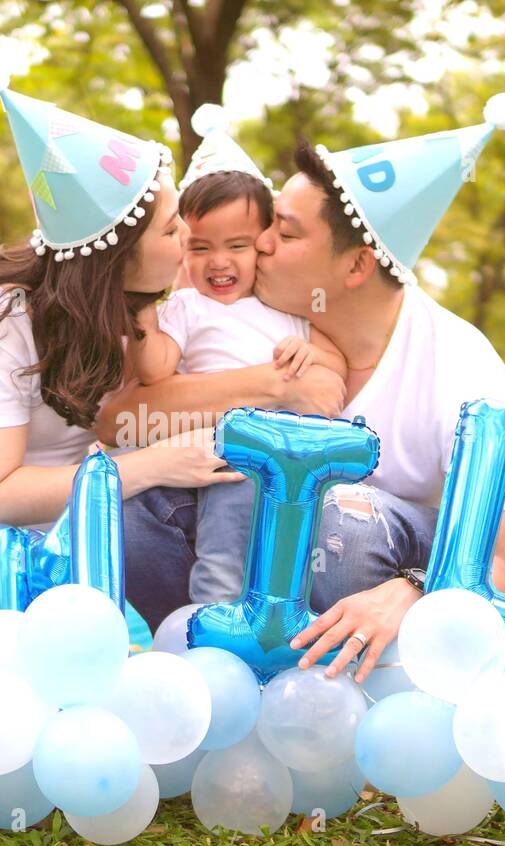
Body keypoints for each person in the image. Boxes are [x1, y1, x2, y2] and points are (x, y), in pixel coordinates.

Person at [102, 94, 505, 682]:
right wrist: (269, 388)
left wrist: (406, 594)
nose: (262, 245)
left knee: (333, 514)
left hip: (376, 559)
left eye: (286, 232)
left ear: (355, 267)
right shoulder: (251, 318)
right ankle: (210, 656)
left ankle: (317, 670)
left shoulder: (462, 371)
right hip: (242, 552)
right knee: (137, 491)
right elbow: (124, 416)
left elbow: (500, 565)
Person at [0, 58, 246, 626]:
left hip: (50, 543)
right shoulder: (1, 313)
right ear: (116, 259)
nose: (189, 238)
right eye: (170, 229)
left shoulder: (141, 306)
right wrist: (150, 464)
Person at [126, 106, 348, 605]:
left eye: (238, 245)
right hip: (220, 447)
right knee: (226, 537)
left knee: (271, 538)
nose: (219, 262)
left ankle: (271, 607)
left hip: (289, 450)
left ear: (264, 243)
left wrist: (308, 352)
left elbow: (336, 368)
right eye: (200, 248)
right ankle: (214, 609)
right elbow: (155, 368)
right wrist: (141, 308)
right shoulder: (186, 306)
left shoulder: (285, 307)